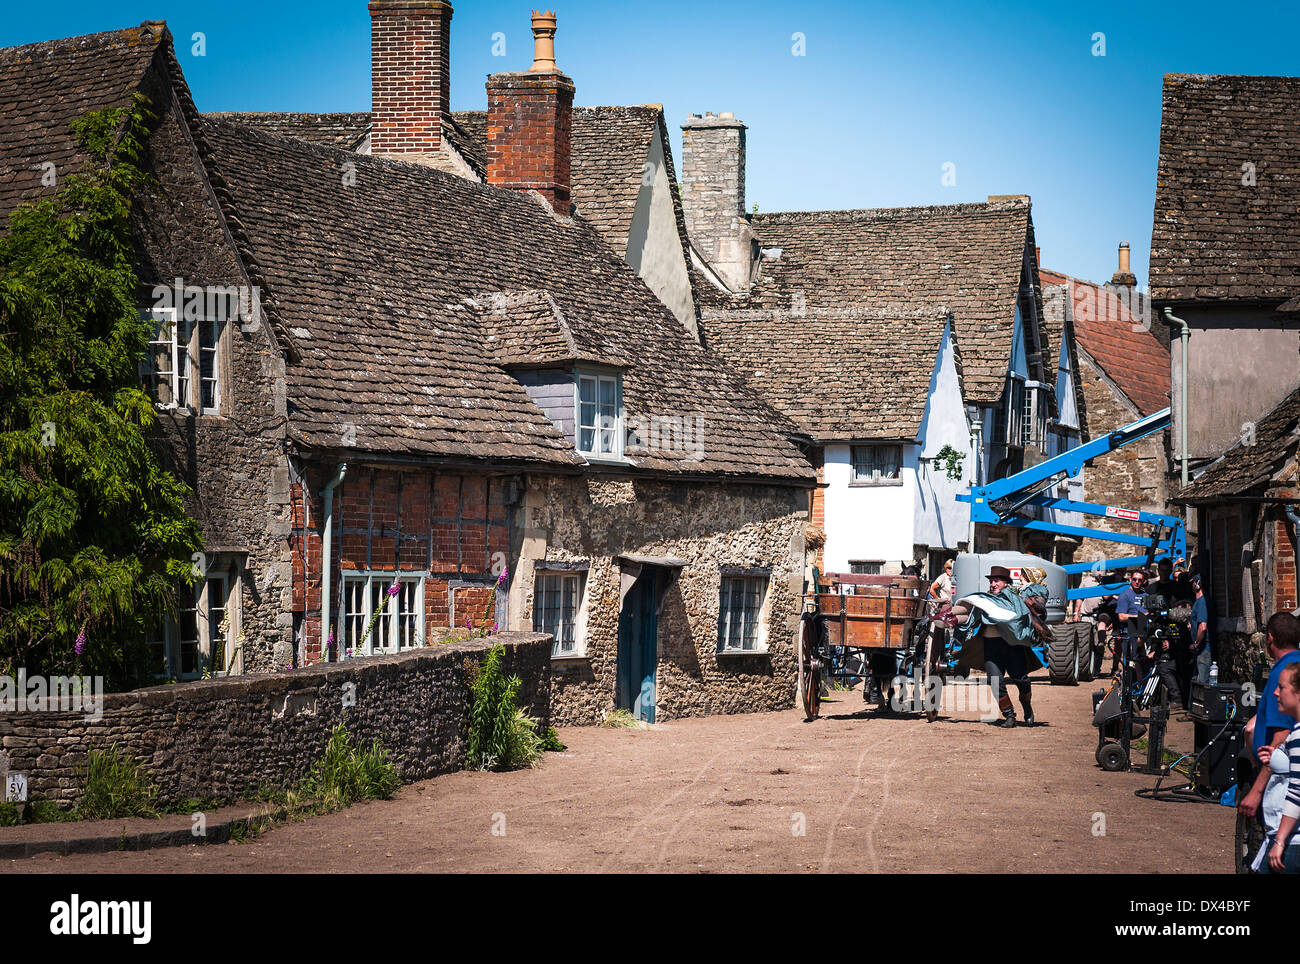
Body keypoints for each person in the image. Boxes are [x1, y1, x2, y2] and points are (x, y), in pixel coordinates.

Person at [944, 565, 1049, 728]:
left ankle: (1026, 705)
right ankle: (1009, 715)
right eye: (991, 581)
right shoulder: (985, 600)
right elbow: (971, 616)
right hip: (990, 645)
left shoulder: (1015, 598)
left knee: (1021, 680)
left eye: (997, 581)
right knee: (994, 680)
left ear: (1006, 583)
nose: (993, 584)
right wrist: (953, 618)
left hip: (1012, 646)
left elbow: (1036, 607)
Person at [1240, 611, 1300, 823]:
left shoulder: (1283, 673)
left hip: (1280, 779)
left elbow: (1281, 734)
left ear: (1271, 638)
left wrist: (1257, 789)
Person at [1255, 662, 1300, 873]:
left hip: (1292, 841)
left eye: (1281, 687)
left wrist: (1280, 840)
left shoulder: (1299, 735)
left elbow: (1297, 792)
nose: (1275, 692)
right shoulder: (1296, 731)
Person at [1189, 574, 1215, 685]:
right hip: (1201, 650)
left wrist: (1196, 644)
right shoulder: (1199, 602)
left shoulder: (1202, 602)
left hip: (1204, 649)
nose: (1192, 585)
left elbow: (1203, 627)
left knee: (1203, 685)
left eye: (1193, 582)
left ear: (1197, 584)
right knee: (1198, 682)